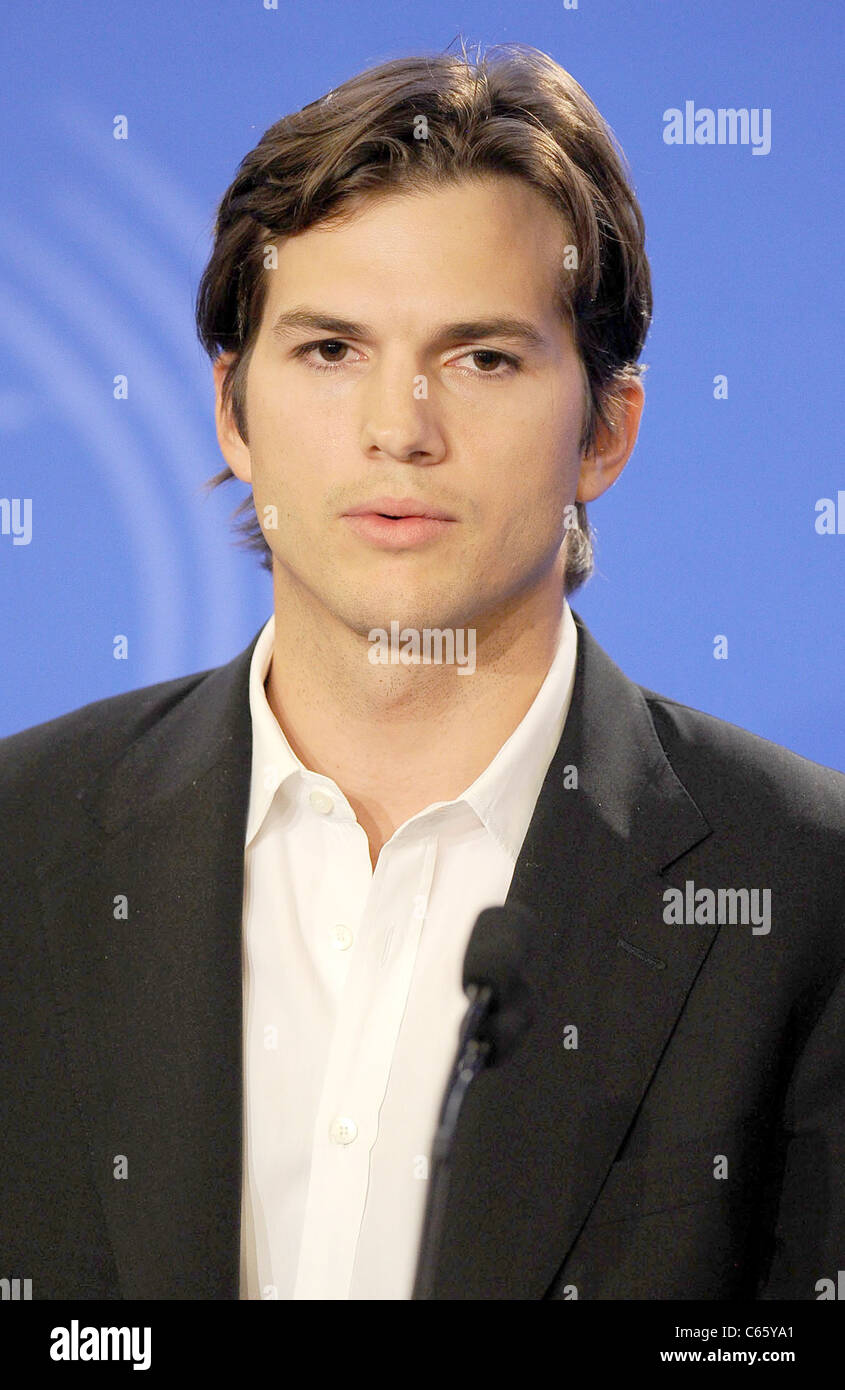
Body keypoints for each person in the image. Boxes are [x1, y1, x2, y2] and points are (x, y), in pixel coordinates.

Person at [1, 43, 843, 1302]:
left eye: (482, 358)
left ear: (605, 429)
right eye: (330, 350)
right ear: (232, 412)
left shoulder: (804, 893)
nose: (400, 427)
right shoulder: (24, 839)